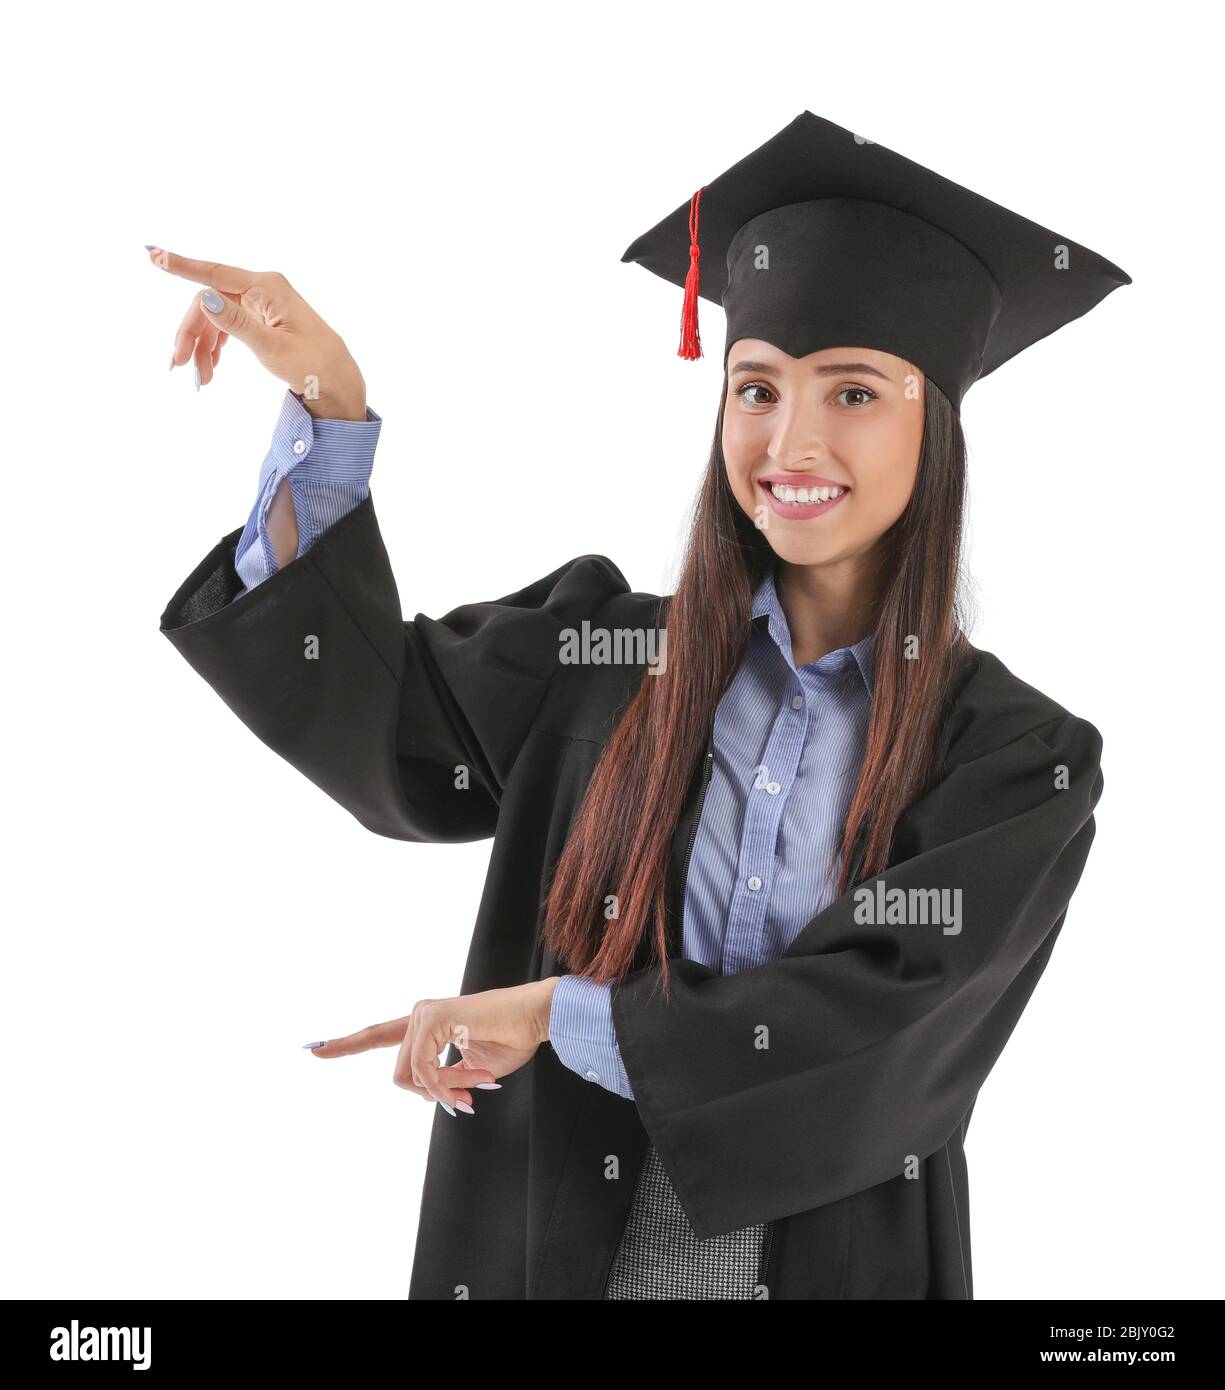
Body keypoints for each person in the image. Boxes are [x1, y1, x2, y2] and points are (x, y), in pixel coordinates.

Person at [150, 110, 1129, 1300]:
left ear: (940, 426)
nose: (791, 439)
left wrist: (563, 1016)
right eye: (756, 387)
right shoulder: (604, 650)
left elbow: (891, 1022)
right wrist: (330, 409)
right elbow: (388, 730)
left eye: (856, 393)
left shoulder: (1017, 758)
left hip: (827, 1258)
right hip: (551, 1235)